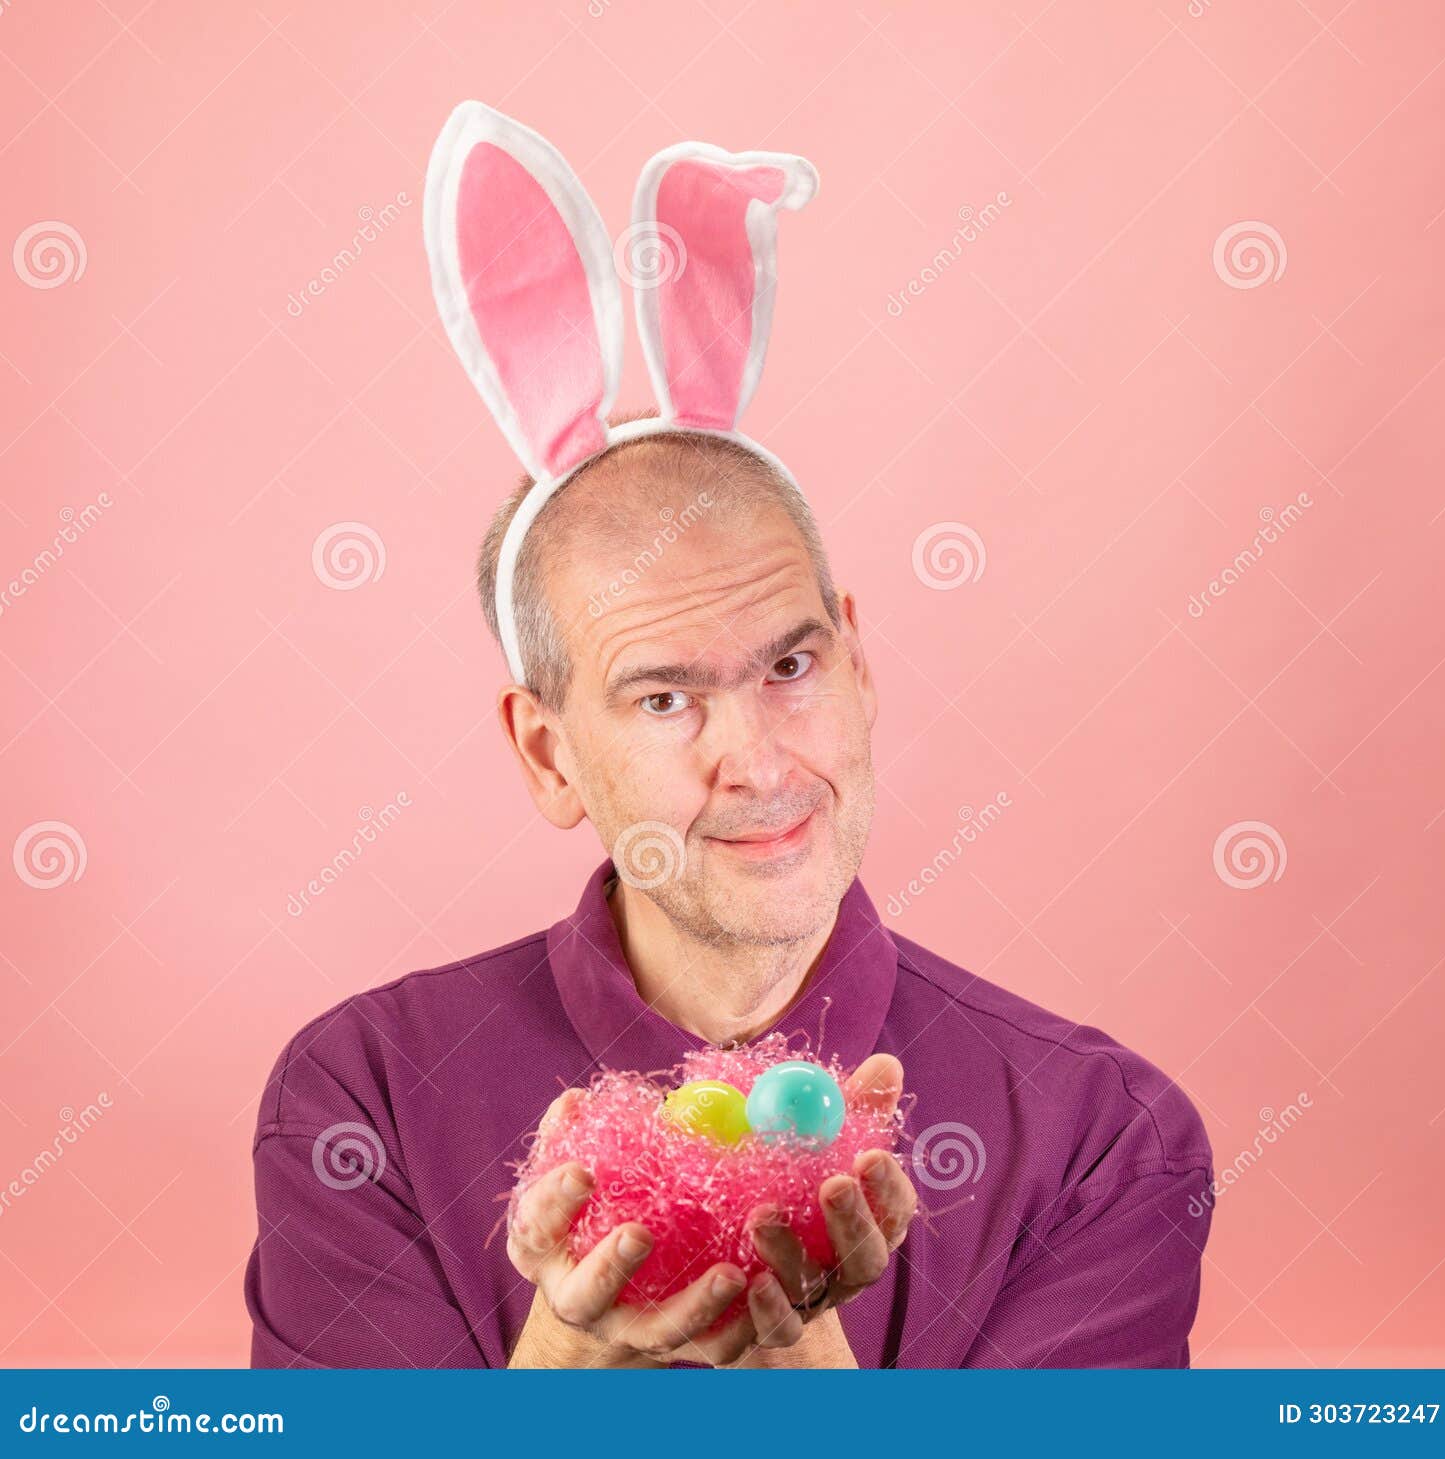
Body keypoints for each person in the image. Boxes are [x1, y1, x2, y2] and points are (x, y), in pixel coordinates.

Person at [243, 427, 1214, 1368]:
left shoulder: (1103, 1139)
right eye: (665, 699)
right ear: (549, 755)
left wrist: (801, 1383)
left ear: (858, 664)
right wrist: (563, 1367)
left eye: (790, 666)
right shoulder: (360, 1100)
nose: (758, 763)